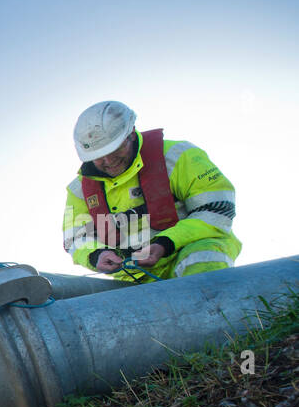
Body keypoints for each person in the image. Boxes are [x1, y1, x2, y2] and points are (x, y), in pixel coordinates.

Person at [62, 101, 240, 282]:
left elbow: (218, 209)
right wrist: (96, 255)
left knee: (204, 259)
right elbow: (74, 238)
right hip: (133, 277)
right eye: (98, 157)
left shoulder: (178, 156)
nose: (109, 160)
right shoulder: (78, 191)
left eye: (115, 150)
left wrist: (165, 243)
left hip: (192, 252)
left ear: (131, 134)